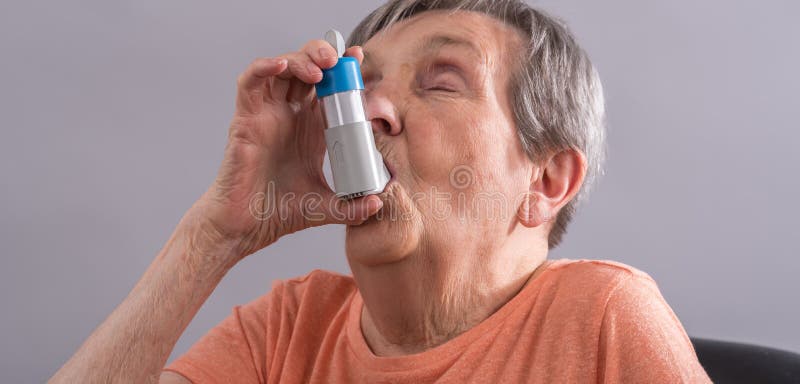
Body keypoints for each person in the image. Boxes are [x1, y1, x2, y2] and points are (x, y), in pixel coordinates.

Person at [50, 0, 711, 383]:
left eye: (441, 81)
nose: (370, 111)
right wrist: (216, 234)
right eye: (361, 86)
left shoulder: (603, 318)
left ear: (545, 180)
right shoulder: (288, 330)